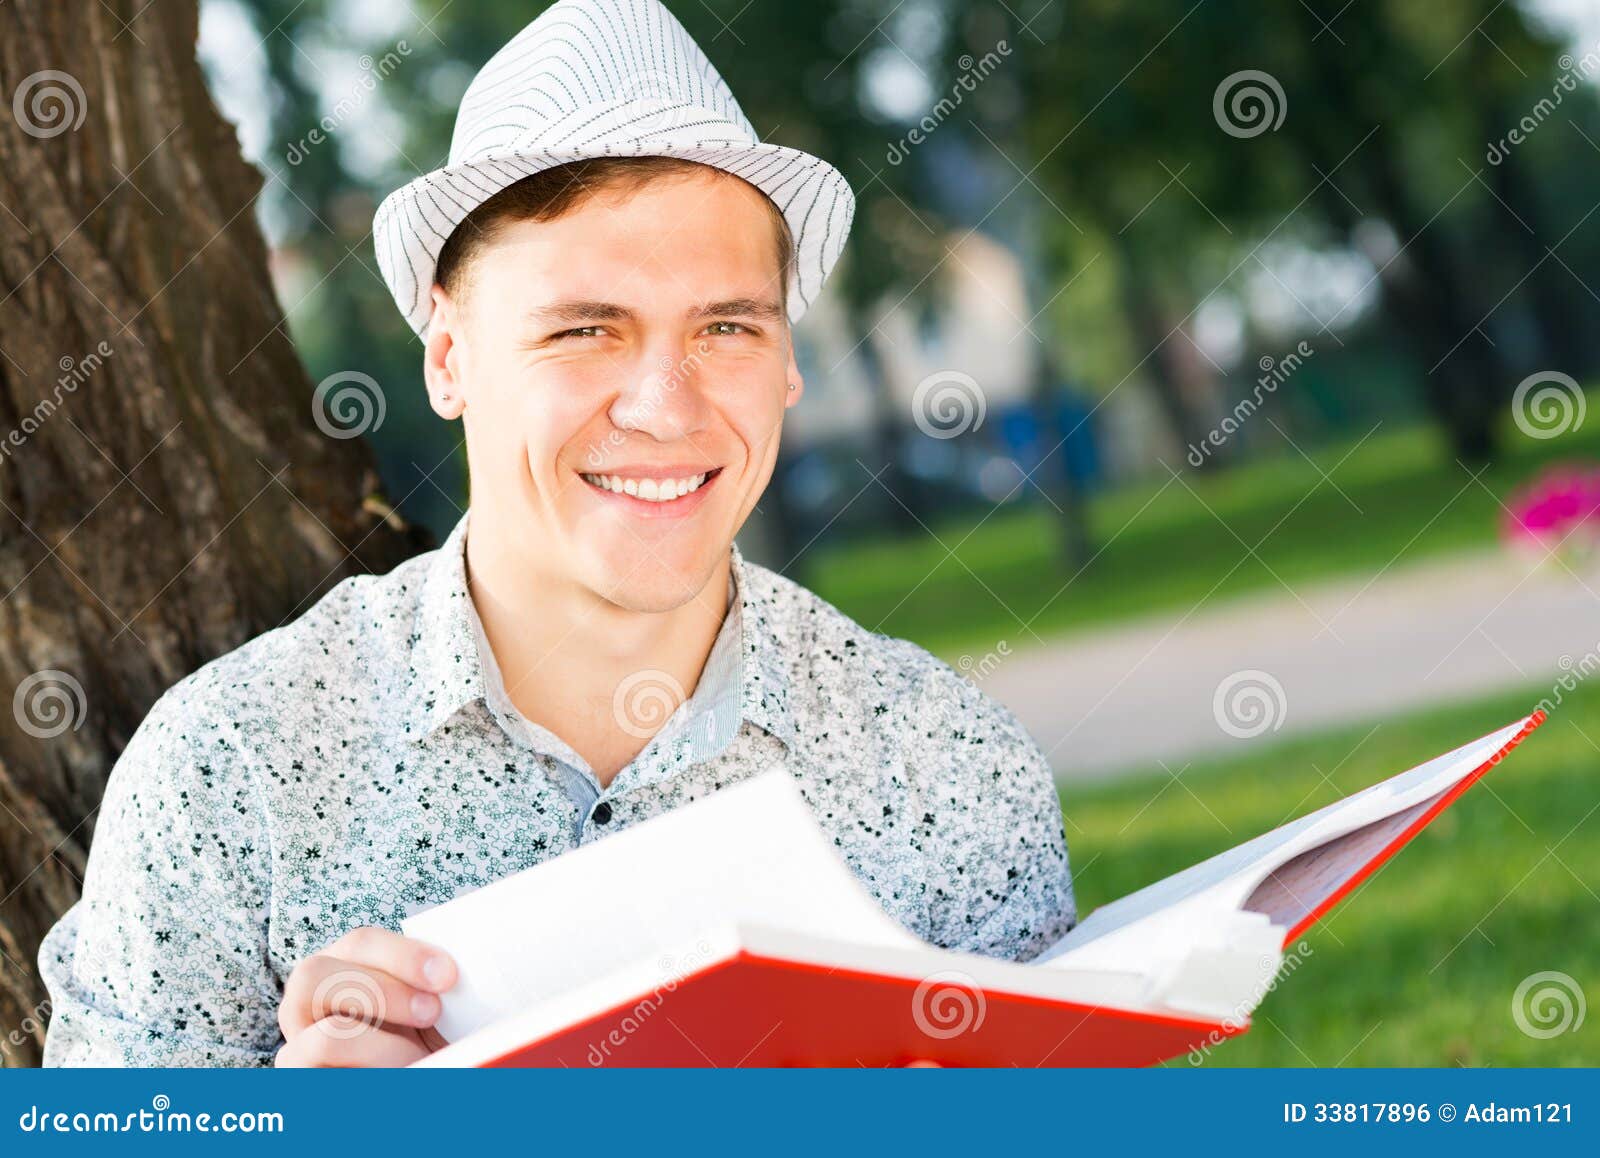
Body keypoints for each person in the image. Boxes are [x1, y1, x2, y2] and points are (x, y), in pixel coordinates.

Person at [39, 0, 1075, 1068]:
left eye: (726, 327)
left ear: (788, 356)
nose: (665, 409)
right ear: (448, 356)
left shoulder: (953, 770)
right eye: (585, 330)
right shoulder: (226, 777)